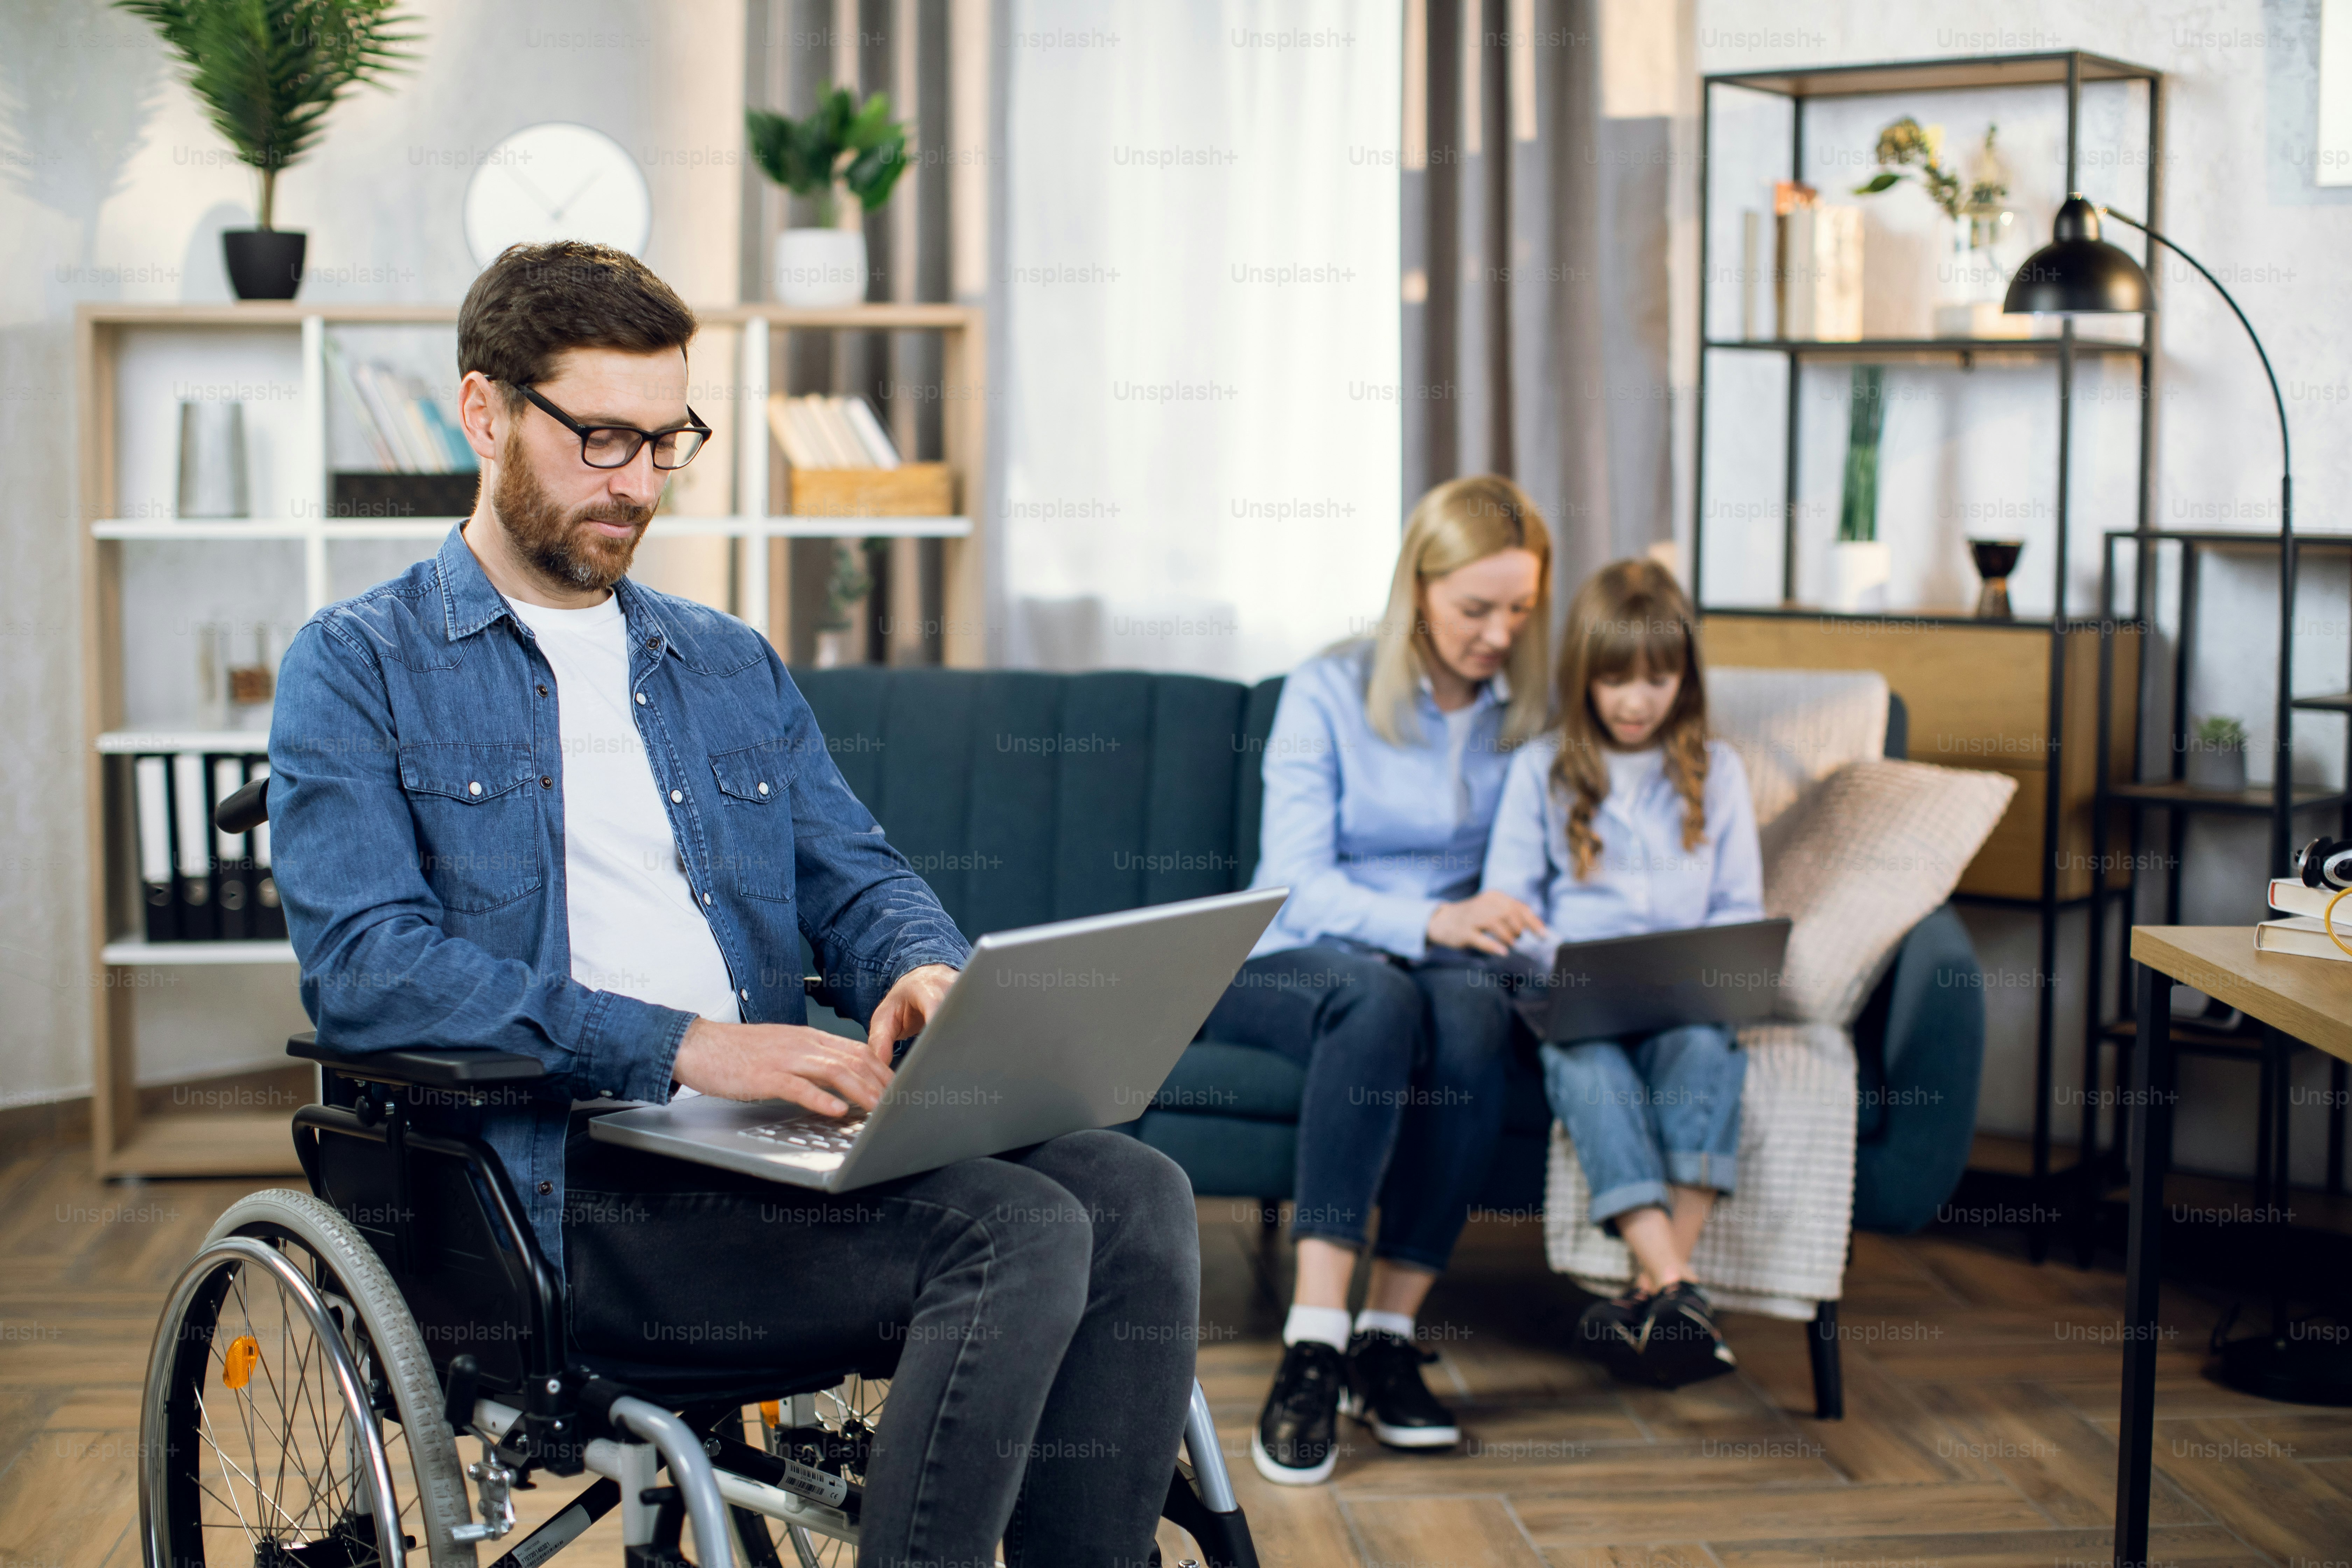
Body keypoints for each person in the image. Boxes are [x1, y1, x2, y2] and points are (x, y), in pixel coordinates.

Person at [267, 240, 1200, 1567]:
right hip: (563, 1195)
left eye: (666, 440)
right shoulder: (358, 665)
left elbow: (855, 876)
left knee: (1138, 1192)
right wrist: (685, 1046)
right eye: (600, 439)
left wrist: (925, 971)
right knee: (1019, 1231)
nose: (639, 483)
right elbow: (367, 967)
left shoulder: (721, 660)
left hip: (774, 1146)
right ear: (483, 413)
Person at [1211, 475, 1554, 1484]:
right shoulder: (1327, 692)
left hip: (1449, 965)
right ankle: (1314, 1341)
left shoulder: (1526, 713)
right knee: (1379, 995)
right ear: (1419, 588)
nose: (1500, 633)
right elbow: (1299, 885)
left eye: (1521, 610)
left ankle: (1386, 1342)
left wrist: (1509, 934)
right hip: (1299, 960)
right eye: (1475, 610)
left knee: (1473, 1013)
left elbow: (1528, 872)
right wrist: (1432, 917)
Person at [1480, 556, 1762, 1387]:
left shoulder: (1722, 770)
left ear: (1686, 679)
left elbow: (1740, 906)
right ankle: (1680, 1289)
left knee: (1708, 1055)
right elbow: (1507, 908)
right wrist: (1556, 957)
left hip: (1687, 996)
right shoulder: (1541, 768)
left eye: (1658, 678)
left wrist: (1718, 963)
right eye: (1614, 681)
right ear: (1584, 677)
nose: (1636, 701)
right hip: (1576, 995)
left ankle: (1659, 1289)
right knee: (1587, 1067)